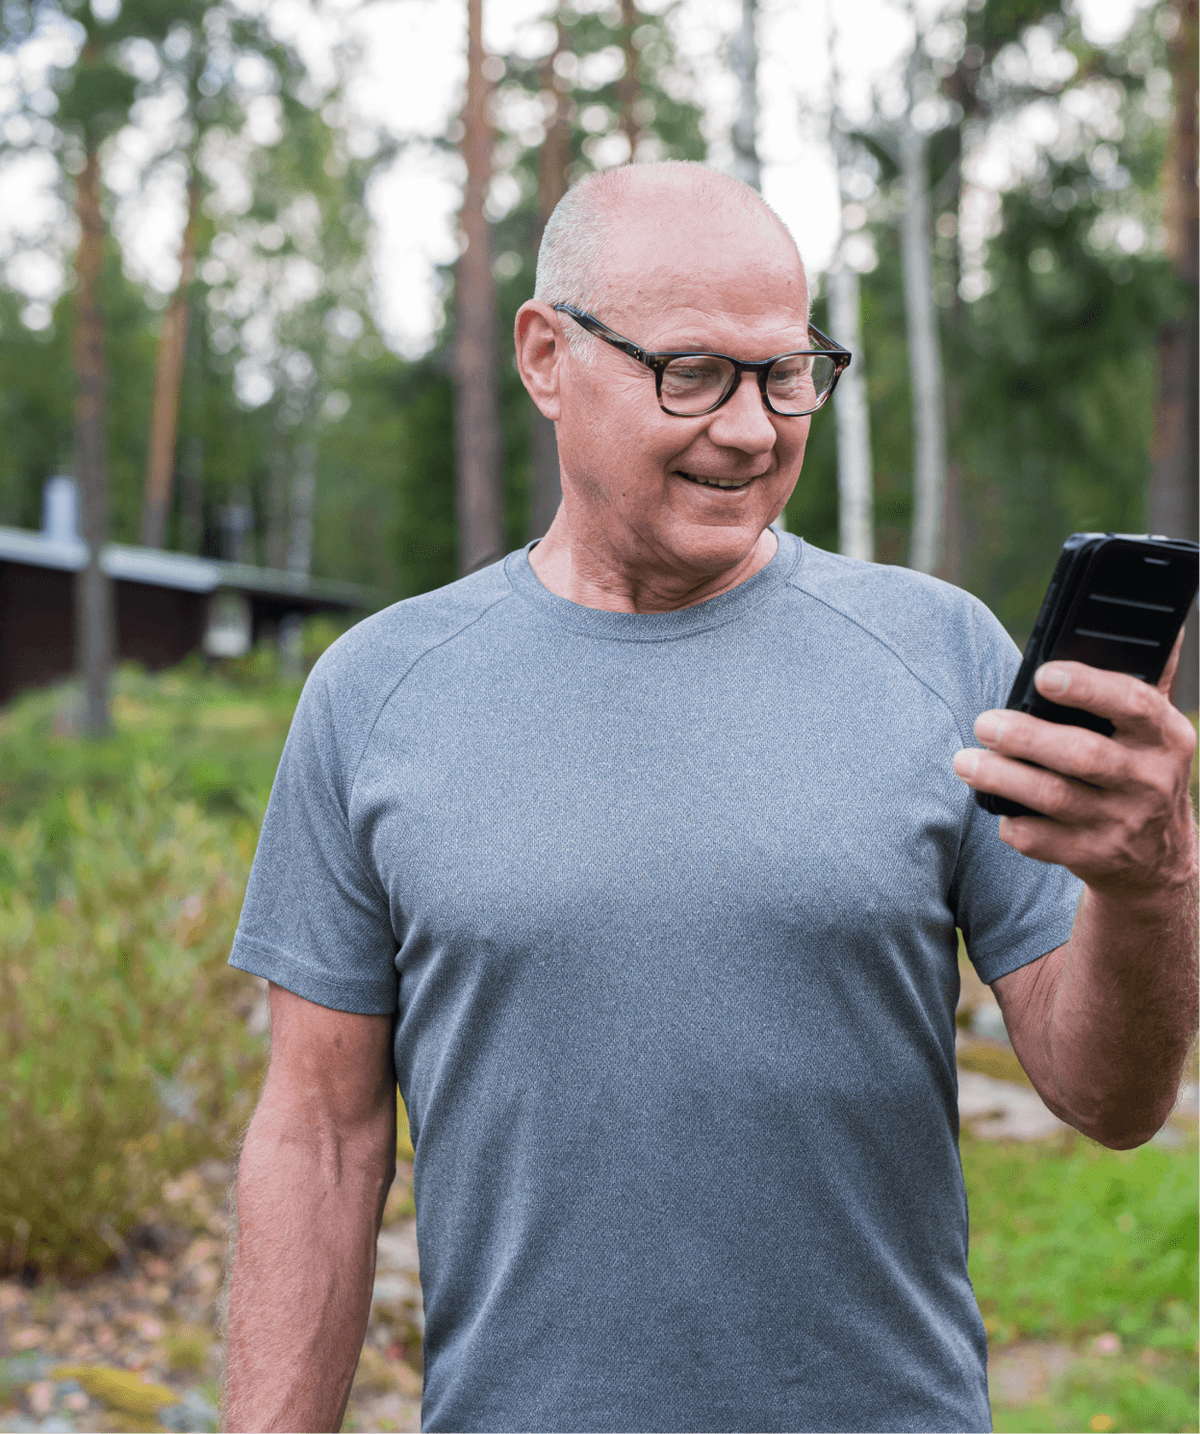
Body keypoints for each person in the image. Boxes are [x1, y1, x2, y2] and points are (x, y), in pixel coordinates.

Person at [223, 162, 1198, 1434]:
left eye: (787, 373)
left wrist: (1153, 882)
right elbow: (318, 1136)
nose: (750, 430)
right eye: (691, 372)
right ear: (545, 356)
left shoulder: (942, 656)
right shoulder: (377, 692)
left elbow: (1110, 1102)